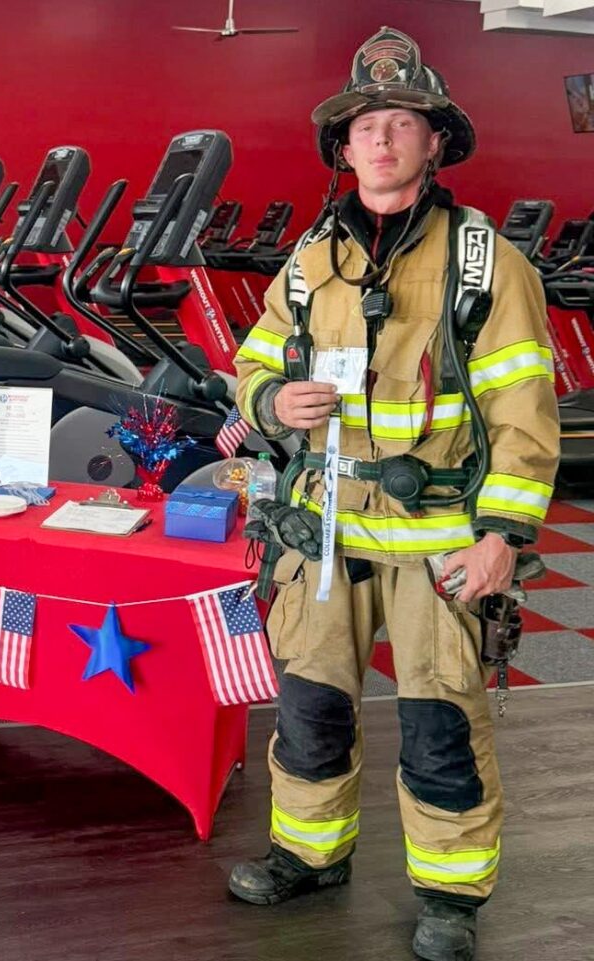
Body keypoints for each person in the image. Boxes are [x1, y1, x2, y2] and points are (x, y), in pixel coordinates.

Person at [228, 26, 559, 961]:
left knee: (439, 721)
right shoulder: (309, 259)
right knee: (309, 707)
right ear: (343, 146)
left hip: (438, 543)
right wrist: (271, 398)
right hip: (324, 533)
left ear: (435, 141)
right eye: (365, 124)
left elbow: (525, 410)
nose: (381, 137)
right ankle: (308, 853)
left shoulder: (486, 265)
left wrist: (502, 537)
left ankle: (450, 894)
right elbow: (253, 361)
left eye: (403, 121)